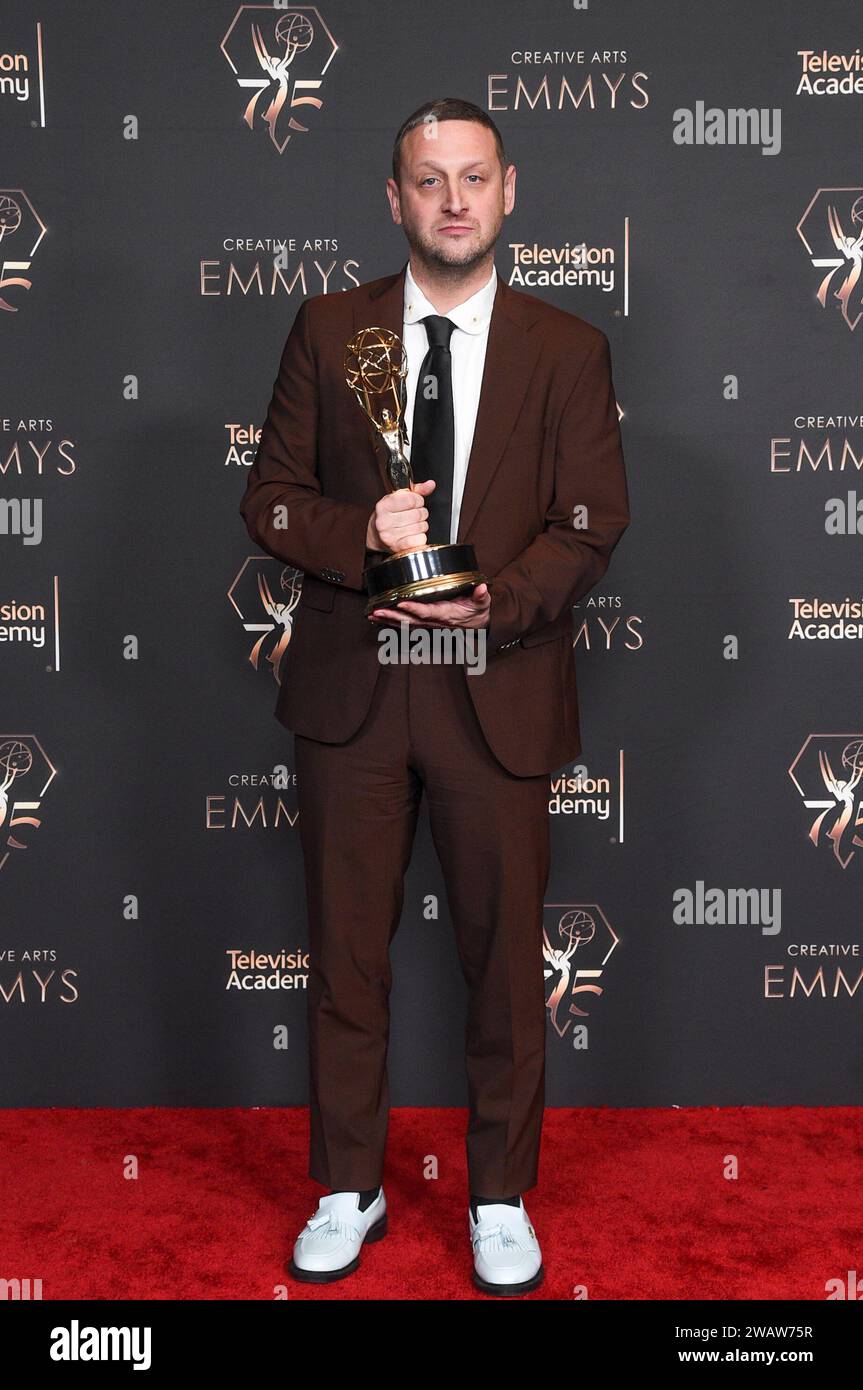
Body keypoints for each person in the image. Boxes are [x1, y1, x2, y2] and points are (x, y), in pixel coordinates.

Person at [239, 96, 630, 1296]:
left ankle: (499, 1196)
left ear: (508, 191)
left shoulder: (565, 347)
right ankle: (347, 1185)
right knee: (345, 956)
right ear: (394, 198)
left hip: (491, 684)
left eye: (472, 177)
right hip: (355, 691)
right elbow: (267, 499)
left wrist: (496, 602)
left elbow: (591, 523)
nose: (452, 199)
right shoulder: (325, 326)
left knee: (506, 965)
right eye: (427, 179)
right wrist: (361, 532)